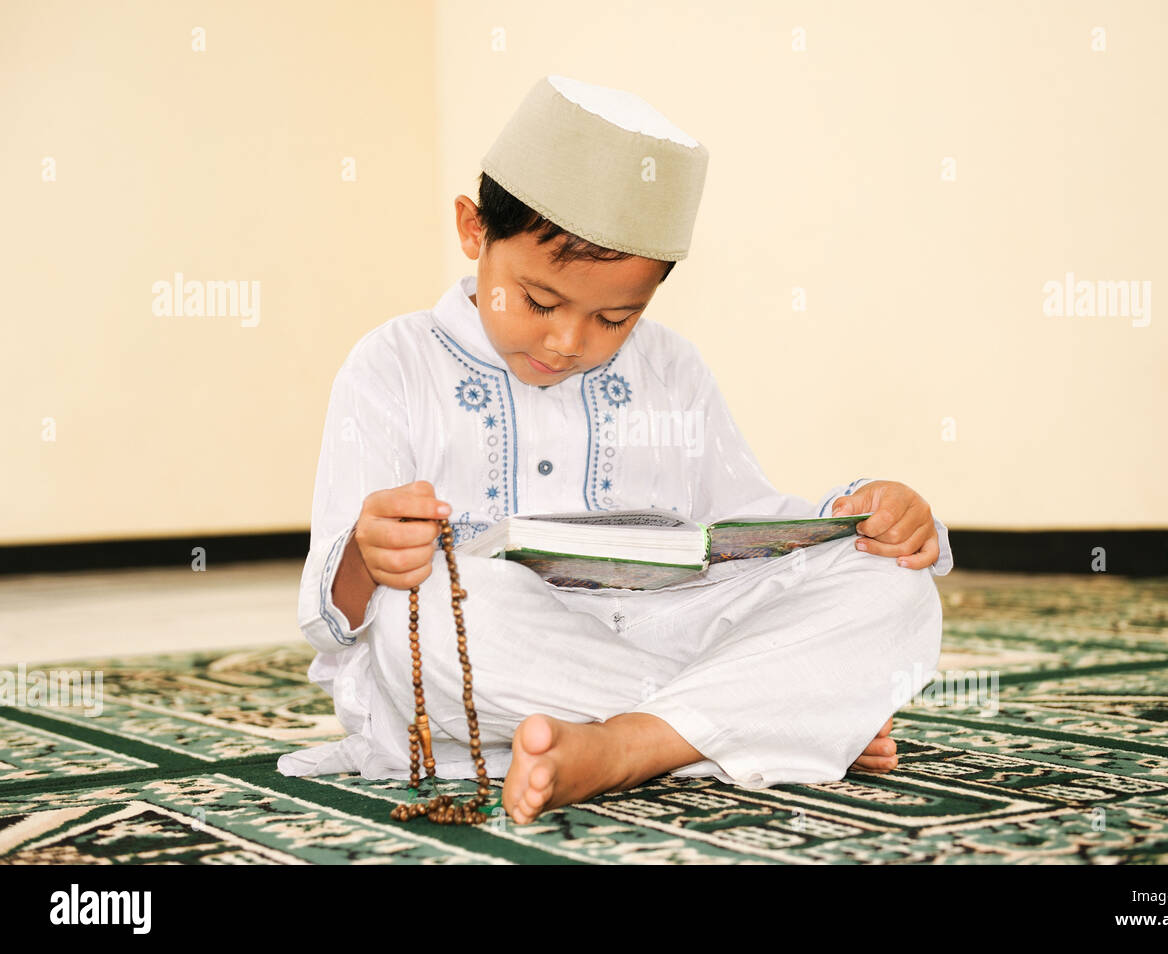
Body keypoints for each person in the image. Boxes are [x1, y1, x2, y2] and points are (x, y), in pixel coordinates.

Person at [277, 75, 952, 825]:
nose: (568, 342)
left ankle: (626, 747)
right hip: (500, 646)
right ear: (474, 231)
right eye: (539, 302)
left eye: (615, 318)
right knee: (429, 609)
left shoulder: (673, 369)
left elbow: (748, 527)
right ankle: (760, 718)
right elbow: (330, 614)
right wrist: (368, 558)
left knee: (894, 587)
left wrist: (866, 517)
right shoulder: (392, 364)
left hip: (665, 628)